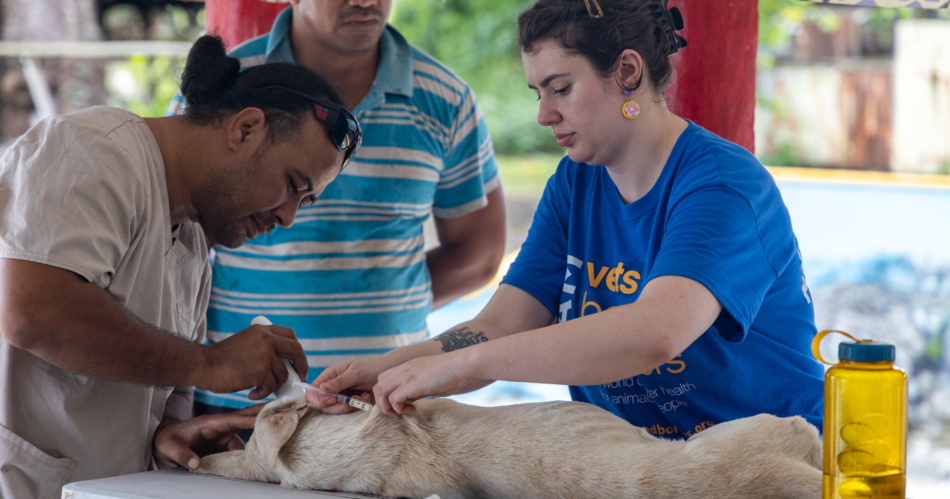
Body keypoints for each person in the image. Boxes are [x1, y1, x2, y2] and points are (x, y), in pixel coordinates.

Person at [309, 0, 825, 438]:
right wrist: (384, 368)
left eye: (560, 89)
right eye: (538, 93)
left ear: (627, 71)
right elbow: (500, 325)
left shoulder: (722, 183)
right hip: (643, 469)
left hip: (768, 464)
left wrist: (456, 366)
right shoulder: (574, 183)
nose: (543, 115)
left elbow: (657, 332)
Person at [0, 35, 360, 499]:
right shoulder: (92, 151)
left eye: (304, 202)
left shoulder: (192, 240)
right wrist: (212, 363)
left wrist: (170, 434)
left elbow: (167, 384)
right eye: (292, 185)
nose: (287, 218)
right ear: (245, 129)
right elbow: (31, 311)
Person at [168, 0, 506, 415]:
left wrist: (388, 304)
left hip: (386, 405)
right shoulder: (229, 88)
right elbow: (174, 241)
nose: (365, 2)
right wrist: (204, 368)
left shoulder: (446, 100)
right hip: (236, 406)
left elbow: (480, 252)